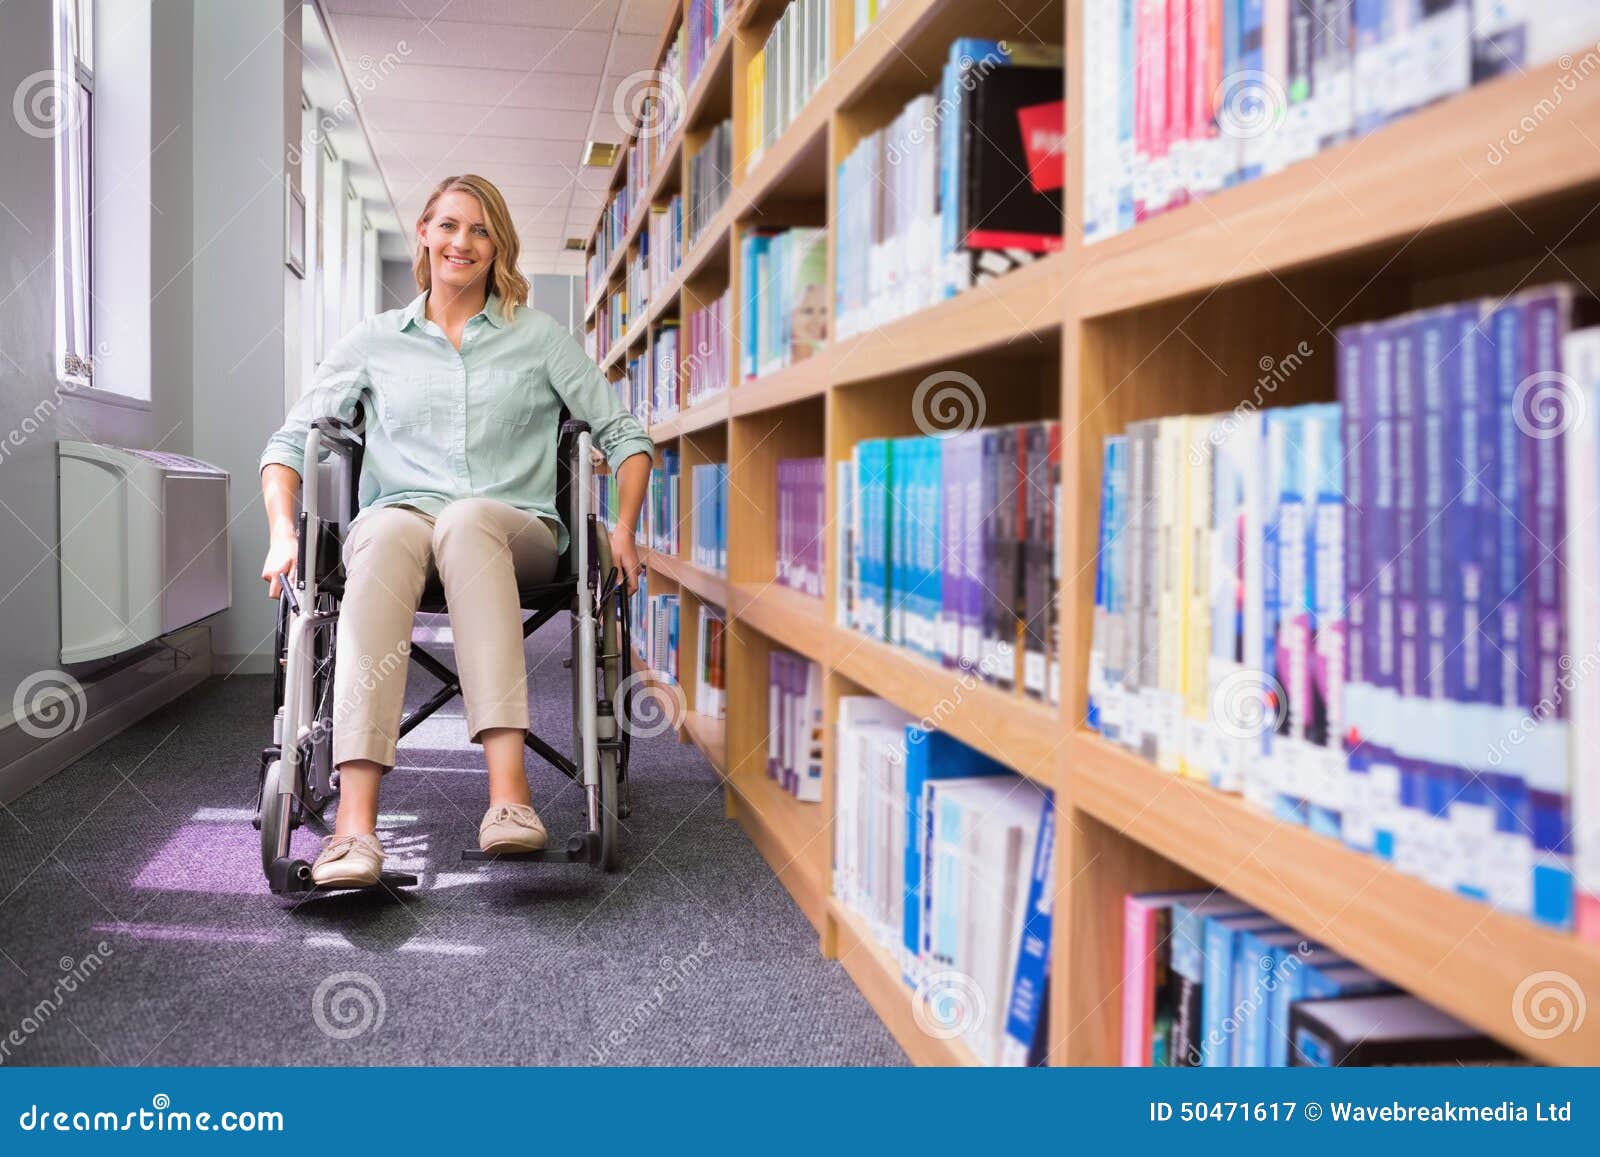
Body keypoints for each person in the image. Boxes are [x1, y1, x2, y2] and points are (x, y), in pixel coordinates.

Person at [258, 173, 653, 888]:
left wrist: (622, 527)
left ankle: (508, 799)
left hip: (514, 532)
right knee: (377, 531)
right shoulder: (375, 341)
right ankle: (354, 829)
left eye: (478, 229)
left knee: (468, 520)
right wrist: (283, 532)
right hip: (405, 525)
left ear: (497, 244)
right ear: (424, 234)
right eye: (447, 225)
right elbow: (290, 443)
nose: (460, 242)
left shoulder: (538, 337)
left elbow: (625, 434)